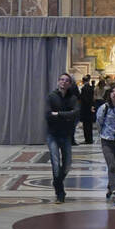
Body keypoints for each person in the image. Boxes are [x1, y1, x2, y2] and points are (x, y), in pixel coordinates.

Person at [45, 72, 79, 203]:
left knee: (67, 164)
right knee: (55, 163)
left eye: (66, 80)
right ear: (58, 82)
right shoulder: (51, 96)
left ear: (69, 84)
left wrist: (58, 114)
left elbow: (75, 113)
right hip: (52, 134)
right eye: (61, 80)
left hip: (66, 135)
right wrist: (67, 115)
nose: (63, 82)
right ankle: (60, 193)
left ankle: (57, 182)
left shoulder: (73, 98)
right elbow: (48, 115)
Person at [79, 74, 95, 144]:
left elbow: (83, 99)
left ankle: (87, 139)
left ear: (83, 81)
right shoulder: (91, 88)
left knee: (86, 126)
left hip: (85, 109)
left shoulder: (84, 88)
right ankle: (90, 139)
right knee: (90, 125)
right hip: (90, 108)